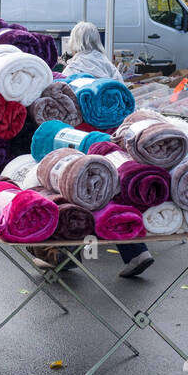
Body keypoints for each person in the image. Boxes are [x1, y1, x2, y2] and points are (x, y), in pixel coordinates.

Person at [59, 21, 153, 278]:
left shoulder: (73, 67)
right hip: (110, 137)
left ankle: (66, 255)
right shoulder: (109, 66)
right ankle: (135, 250)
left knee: (78, 191)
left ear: (74, 41)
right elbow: (126, 102)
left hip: (82, 136)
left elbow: (68, 105)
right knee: (111, 188)